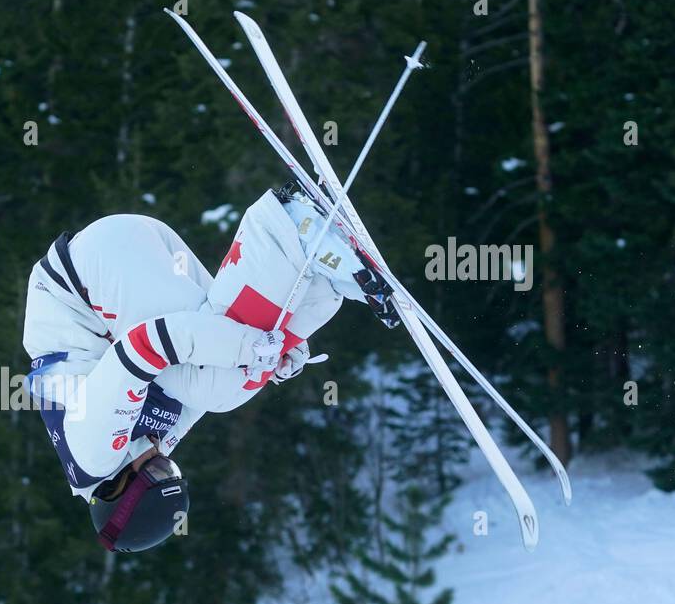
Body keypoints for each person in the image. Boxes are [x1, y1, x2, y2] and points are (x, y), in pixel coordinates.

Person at [21, 184, 398, 552]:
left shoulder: (95, 451)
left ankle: (285, 226)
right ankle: (321, 278)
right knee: (224, 384)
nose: (164, 462)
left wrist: (246, 347)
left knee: (216, 386)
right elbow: (201, 379)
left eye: (157, 476)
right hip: (120, 252)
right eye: (172, 472)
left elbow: (141, 347)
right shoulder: (145, 447)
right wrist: (277, 354)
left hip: (88, 276)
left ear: (115, 489)